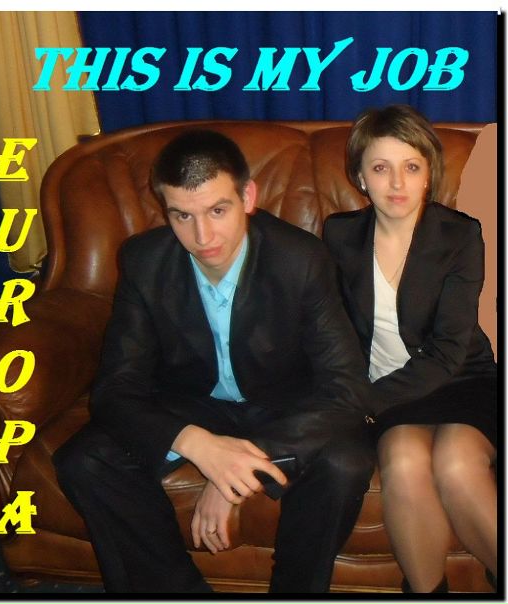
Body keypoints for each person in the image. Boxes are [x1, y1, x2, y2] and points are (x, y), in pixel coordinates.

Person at [53, 129, 375, 594]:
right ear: (165, 209)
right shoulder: (144, 261)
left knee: (346, 462)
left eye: (217, 211)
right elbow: (116, 389)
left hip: (284, 405)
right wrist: (198, 445)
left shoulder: (301, 259)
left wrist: (235, 469)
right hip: (191, 403)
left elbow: (346, 389)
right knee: (84, 461)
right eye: (182, 215)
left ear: (248, 197)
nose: (202, 236)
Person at [323, 105, 497, 593]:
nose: (397, 183)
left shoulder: (460, 234)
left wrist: (362, 403)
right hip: (389, 391)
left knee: (457, 465)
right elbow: (330, 331)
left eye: (411, 166)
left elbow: (448, 351)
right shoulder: (339, 235)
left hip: (462, 379)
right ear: (361, 176)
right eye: (381, 167)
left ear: (428, 174)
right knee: (402, 462)